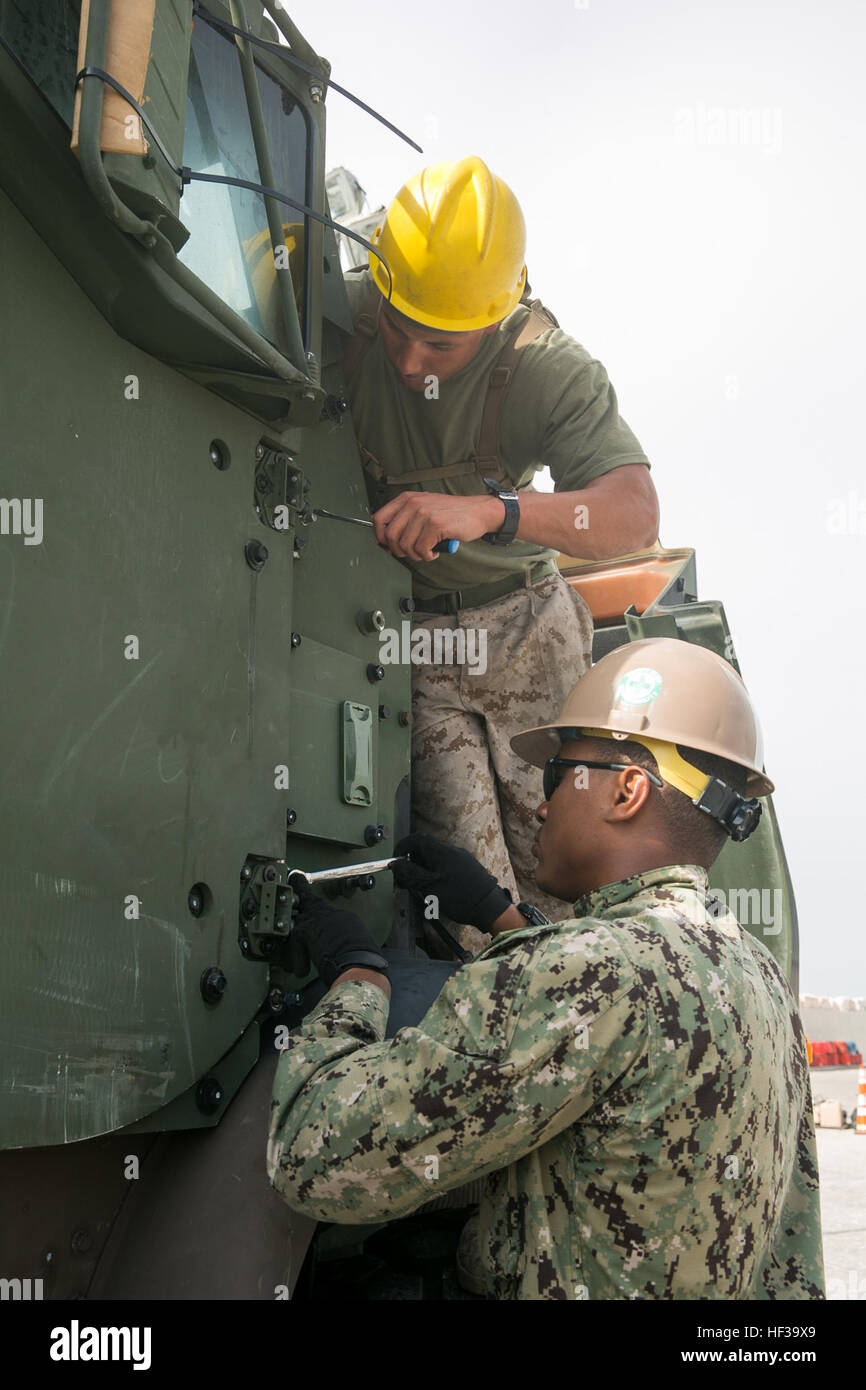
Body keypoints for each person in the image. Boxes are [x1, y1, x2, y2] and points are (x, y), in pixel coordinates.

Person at [267, 637, 824, 1300]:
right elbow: (792, 1260)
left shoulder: (589, 973)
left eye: (557, 776)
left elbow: (316, 1156)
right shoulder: (756, 970)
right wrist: (505, 917)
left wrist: (358, 978)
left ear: (626, 791)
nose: (539, 804)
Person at [341, 155, 659, 949]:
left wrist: (494, 510)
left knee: (569, 871)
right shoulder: (342, 311)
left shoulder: (548, 367)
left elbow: (632, 514)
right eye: (396, 327)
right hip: (422, 643)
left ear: (493, 317)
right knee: (468, 901)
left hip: (528, 633)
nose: (411, 362)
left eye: (441, 345)